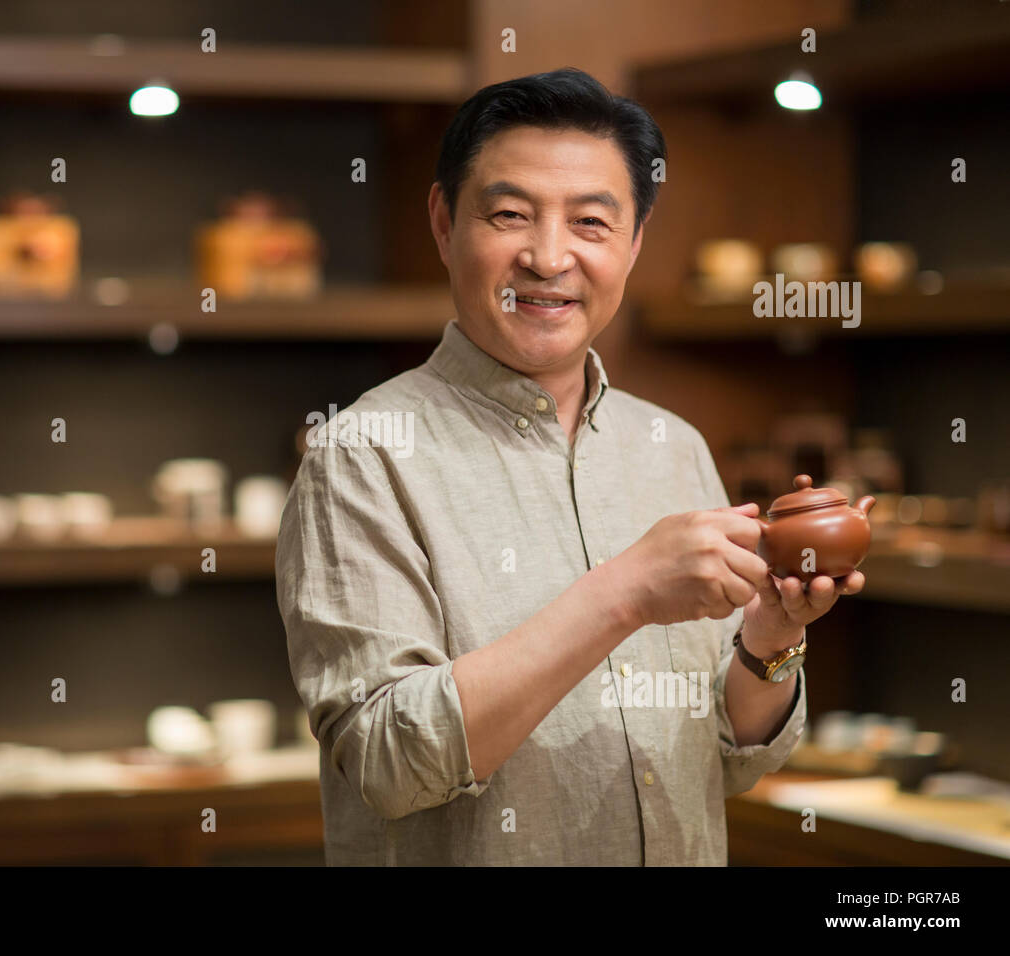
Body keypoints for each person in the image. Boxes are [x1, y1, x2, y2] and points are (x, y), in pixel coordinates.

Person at [275, 67, 864, 865]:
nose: (549, 258)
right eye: (511, 214)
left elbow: (733, 757)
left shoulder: (672, 445)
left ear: (632, 244)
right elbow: (387, 762)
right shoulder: (363, 456)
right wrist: (621, 594)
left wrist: (770, 637)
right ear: (446, 225)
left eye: (591, 222)